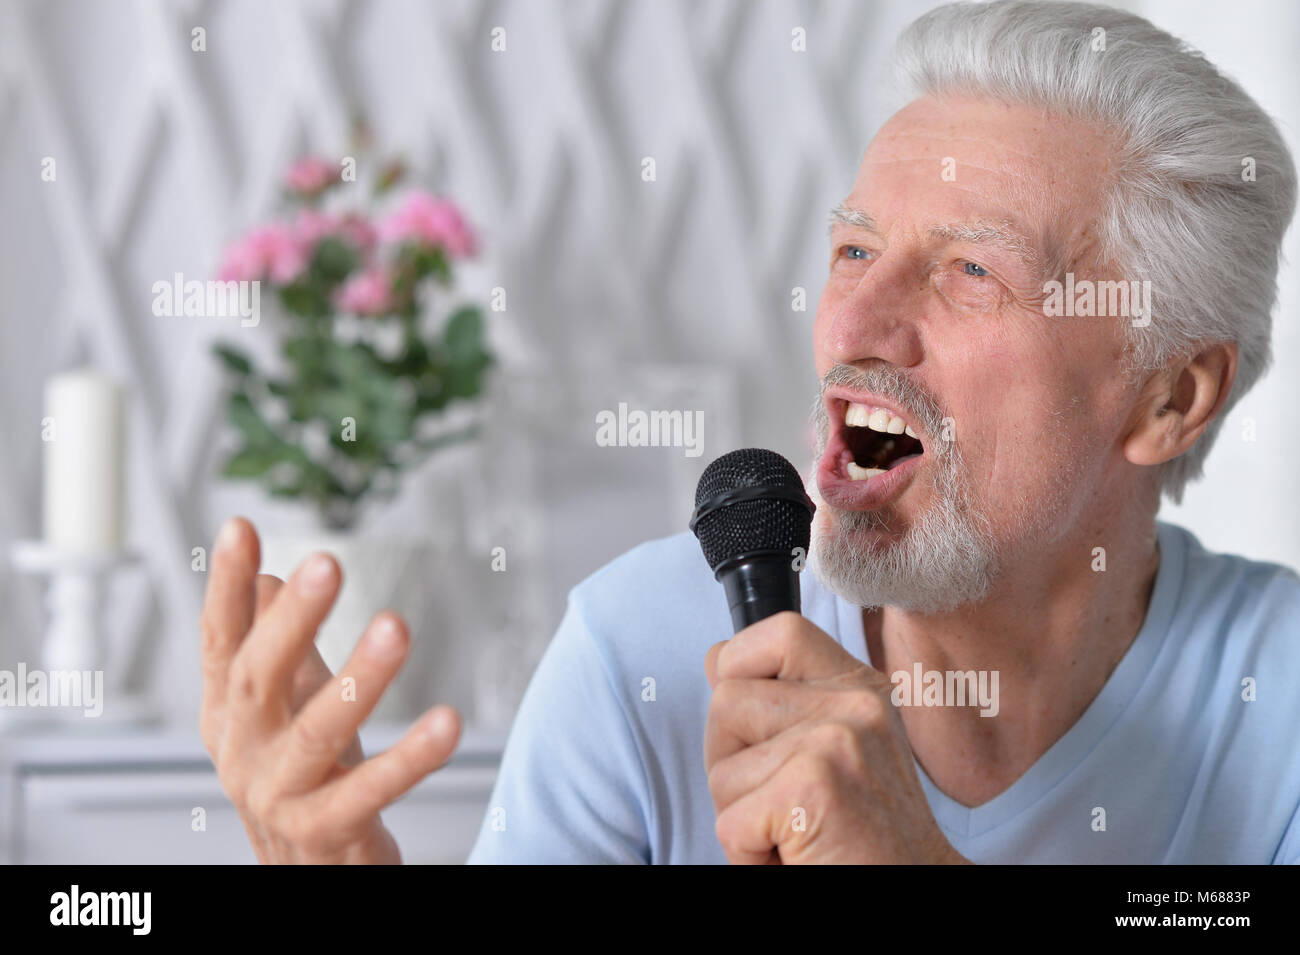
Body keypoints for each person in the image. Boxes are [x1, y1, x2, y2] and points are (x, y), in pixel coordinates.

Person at [199, 0, 1300, 864]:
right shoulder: (638, 649)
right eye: (855, 252)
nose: (853, 327)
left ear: (1169, 398)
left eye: (973, 271)